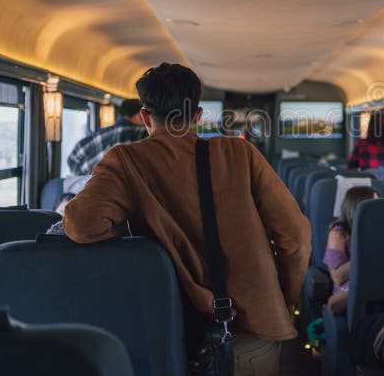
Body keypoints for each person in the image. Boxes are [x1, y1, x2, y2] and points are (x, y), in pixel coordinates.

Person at [62, 63, 311, 375]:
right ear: (197, 115)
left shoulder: (125, 162)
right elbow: (297, 236)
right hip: (250, 323)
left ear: (144, 116)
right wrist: (284, 299)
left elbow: (81, 225)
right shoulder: (240, 153)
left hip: (165, 321)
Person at [323, 186, 378, 315]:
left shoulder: (381, 229)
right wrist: (369, 254)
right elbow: (338, 277)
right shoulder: (339, 233)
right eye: (373, 206)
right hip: (350, 286)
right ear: (356, 208)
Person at [66, 99, 147, 175]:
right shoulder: (140, 132)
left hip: (90, 183)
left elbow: (72, 160)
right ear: (139, 116)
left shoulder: (99, 134)